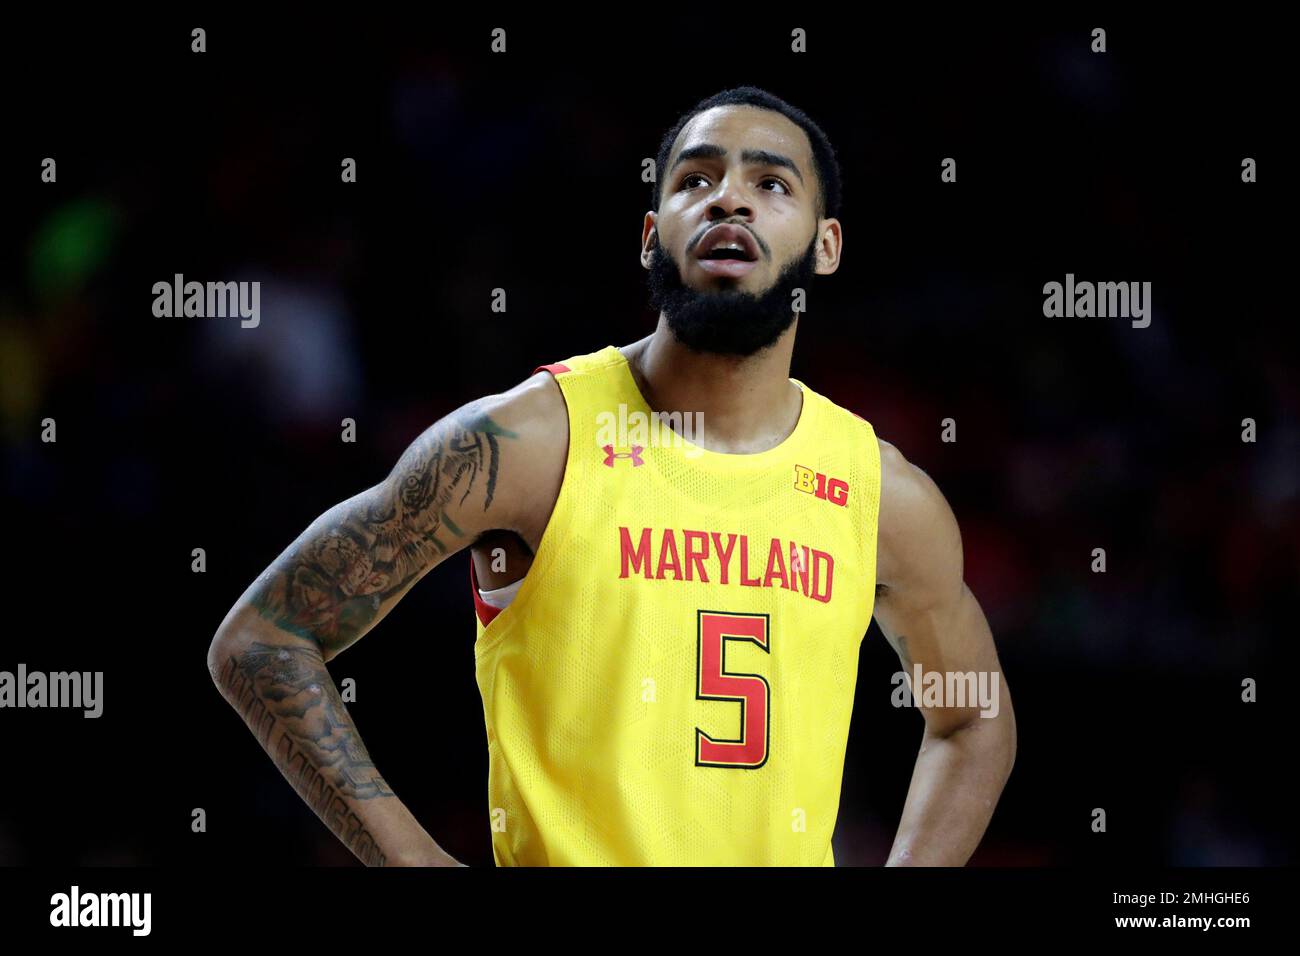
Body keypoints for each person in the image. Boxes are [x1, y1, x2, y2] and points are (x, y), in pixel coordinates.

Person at [208, 86, 1016, 866]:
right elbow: (264, 638)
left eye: (771, 183)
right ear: (649, 233)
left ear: (826, 244)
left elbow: (974, 722)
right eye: (695, 180)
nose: (726, 200)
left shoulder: (881, 494)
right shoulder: (526, 443)